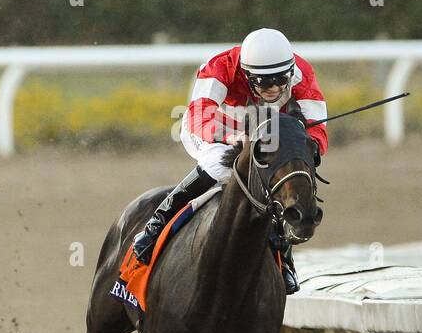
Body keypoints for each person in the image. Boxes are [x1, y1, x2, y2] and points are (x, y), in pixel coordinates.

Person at [132, 28, 327, 294]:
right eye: (263, 82)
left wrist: (310, 148)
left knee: (277, 183)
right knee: (219, 165)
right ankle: (156, 225)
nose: (274, 89)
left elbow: (316, 127)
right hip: (214, 128)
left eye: (281, 80)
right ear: (246, 74)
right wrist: (229, 135)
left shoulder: (302, 72)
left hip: (264, 131)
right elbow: (200, 115)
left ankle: (285, 260)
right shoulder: (219, 67)